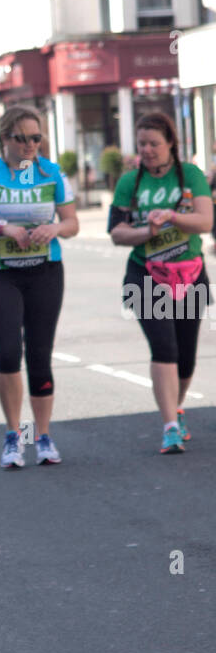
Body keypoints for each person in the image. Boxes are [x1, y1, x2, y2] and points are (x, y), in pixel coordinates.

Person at [0, 104, 79, 468]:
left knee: (40, 356)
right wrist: (1, 228)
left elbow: (72, 223)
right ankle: (14, 435)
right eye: (21, 138)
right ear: (4, 139)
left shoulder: (52, 172)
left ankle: (42, 436)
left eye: (36, 138)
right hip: (0, 272)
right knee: (9, 353)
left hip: (45, 271)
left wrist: (54, 228)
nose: (30, 145)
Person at [109, 111, 213, 453]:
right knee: (164, 349)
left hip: (189, 274)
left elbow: (203, 221)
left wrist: (171, 216)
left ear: (171, 143)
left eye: (154, 143)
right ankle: (169, 425)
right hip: (145, 275)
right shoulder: (130, 183)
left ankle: (176, 407)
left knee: (186, 358)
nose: (148, 150)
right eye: (142, 144)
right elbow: (117, 233)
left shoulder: (192, 175)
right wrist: (146, 232)